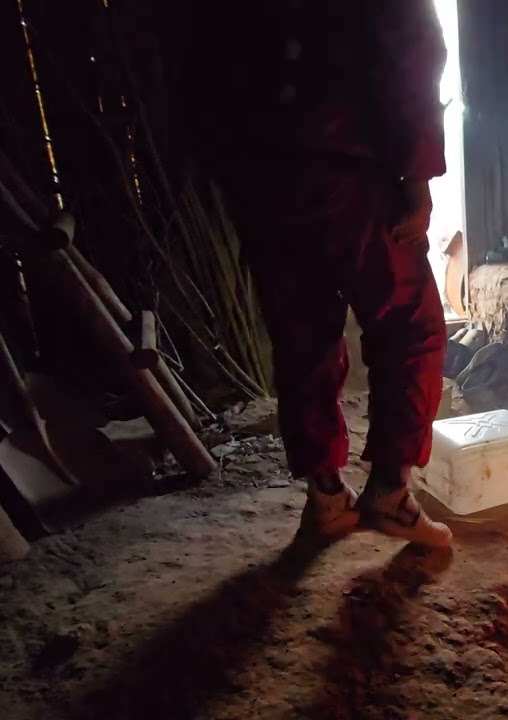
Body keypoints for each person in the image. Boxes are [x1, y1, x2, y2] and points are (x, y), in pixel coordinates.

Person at [181, 1, 452, 547]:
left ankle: (327, 496)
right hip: (349, 165)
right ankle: (390, 493)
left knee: (301, 331)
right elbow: (408, 53)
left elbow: (202, 64)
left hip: (261, 171)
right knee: (409, 324)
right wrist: (418, 181)